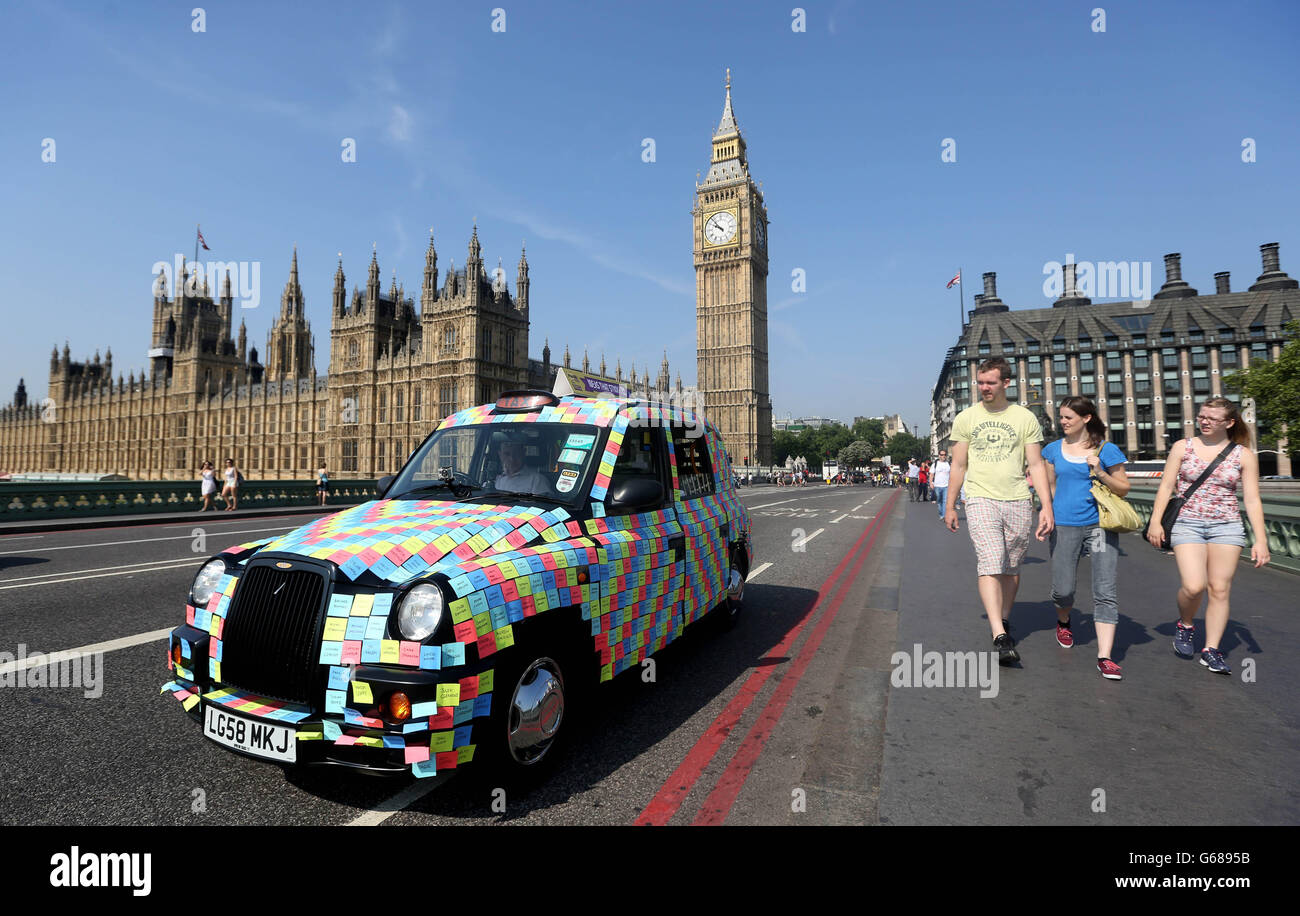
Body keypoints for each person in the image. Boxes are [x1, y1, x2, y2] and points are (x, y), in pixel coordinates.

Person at [1146, 397, 1269, 675]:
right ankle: (1186, 624)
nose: (1204, 421)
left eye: (1211, 418)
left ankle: (1211, 650)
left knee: (1220, 588)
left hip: (1227, 525)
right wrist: (1156, 522)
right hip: (1187, 522)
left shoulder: (1243, 455)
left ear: (1229, 422)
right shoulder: (1183, 447)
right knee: (1193, 585)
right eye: (1202, 416)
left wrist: (1261, 540)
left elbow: (1252, 500)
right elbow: (1166, 487)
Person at [944, 357, 1053, 664]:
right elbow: (959, 465)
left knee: (1011, 566)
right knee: (991, 562)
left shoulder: (1024, 418)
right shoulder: (966, 418)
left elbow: (1035, 464)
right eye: (980, 382)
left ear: (1006, 383)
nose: (984, 388)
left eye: (990, 382)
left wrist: (1046, 506)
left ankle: (1003, 617)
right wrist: (951, 504)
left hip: (1018, 498)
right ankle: (999, 635)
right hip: (980, 498)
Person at [1041, 397, 1130, 679]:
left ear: (1086, 418)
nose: (1063, 422)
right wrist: (1048, 514)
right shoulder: (1053, 450)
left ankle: (1105, 657)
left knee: (1105, 590)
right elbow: (1049, 486)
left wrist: (1100, 471)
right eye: (1062, 417)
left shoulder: (1107, 449)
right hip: (1065, 525)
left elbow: (1124, 488)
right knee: (1063, 589)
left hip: (1100, 526)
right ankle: (1064, 620)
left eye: (1069, 417)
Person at [932, 449, 951, 519]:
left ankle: (943, 516)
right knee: (939, 501)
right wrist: (931, 483)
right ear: (939, 456)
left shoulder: (948, 464)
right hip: (937, 485)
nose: (943, 456)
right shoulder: (935, 464)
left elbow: (951, 474)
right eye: (942, 455)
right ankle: (941, 513)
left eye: (945, 455)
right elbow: (931, 474)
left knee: (945, 501)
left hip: (946, 485)